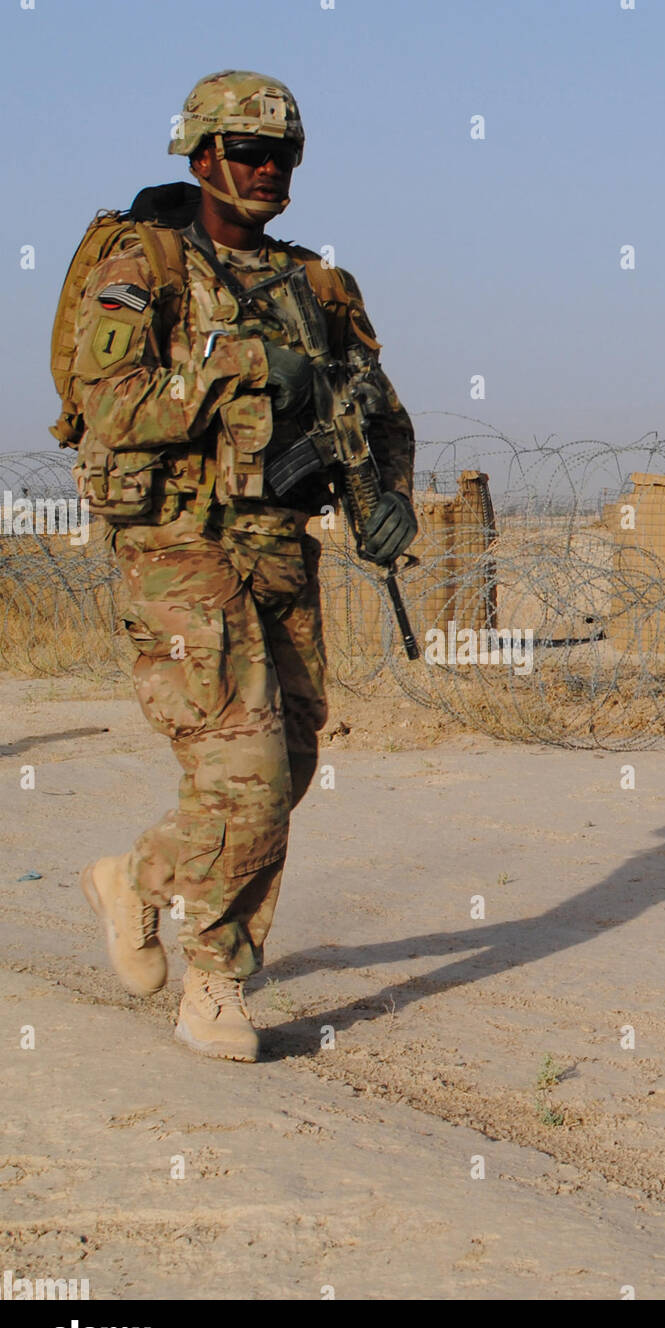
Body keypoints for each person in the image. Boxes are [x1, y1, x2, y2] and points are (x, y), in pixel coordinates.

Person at [74, 70, 417, 1061]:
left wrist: (382, 496)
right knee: (248, 771)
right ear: (200, 156)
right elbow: (115, 404)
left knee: (294, 757)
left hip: (277, 547)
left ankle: (136, 879)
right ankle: (219, 977)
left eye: (282, 155)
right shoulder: (145, 265)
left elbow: (376, 413)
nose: (266, 169)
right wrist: (251, 366)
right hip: (177, 547)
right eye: (246, 151)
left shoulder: (318, 286)